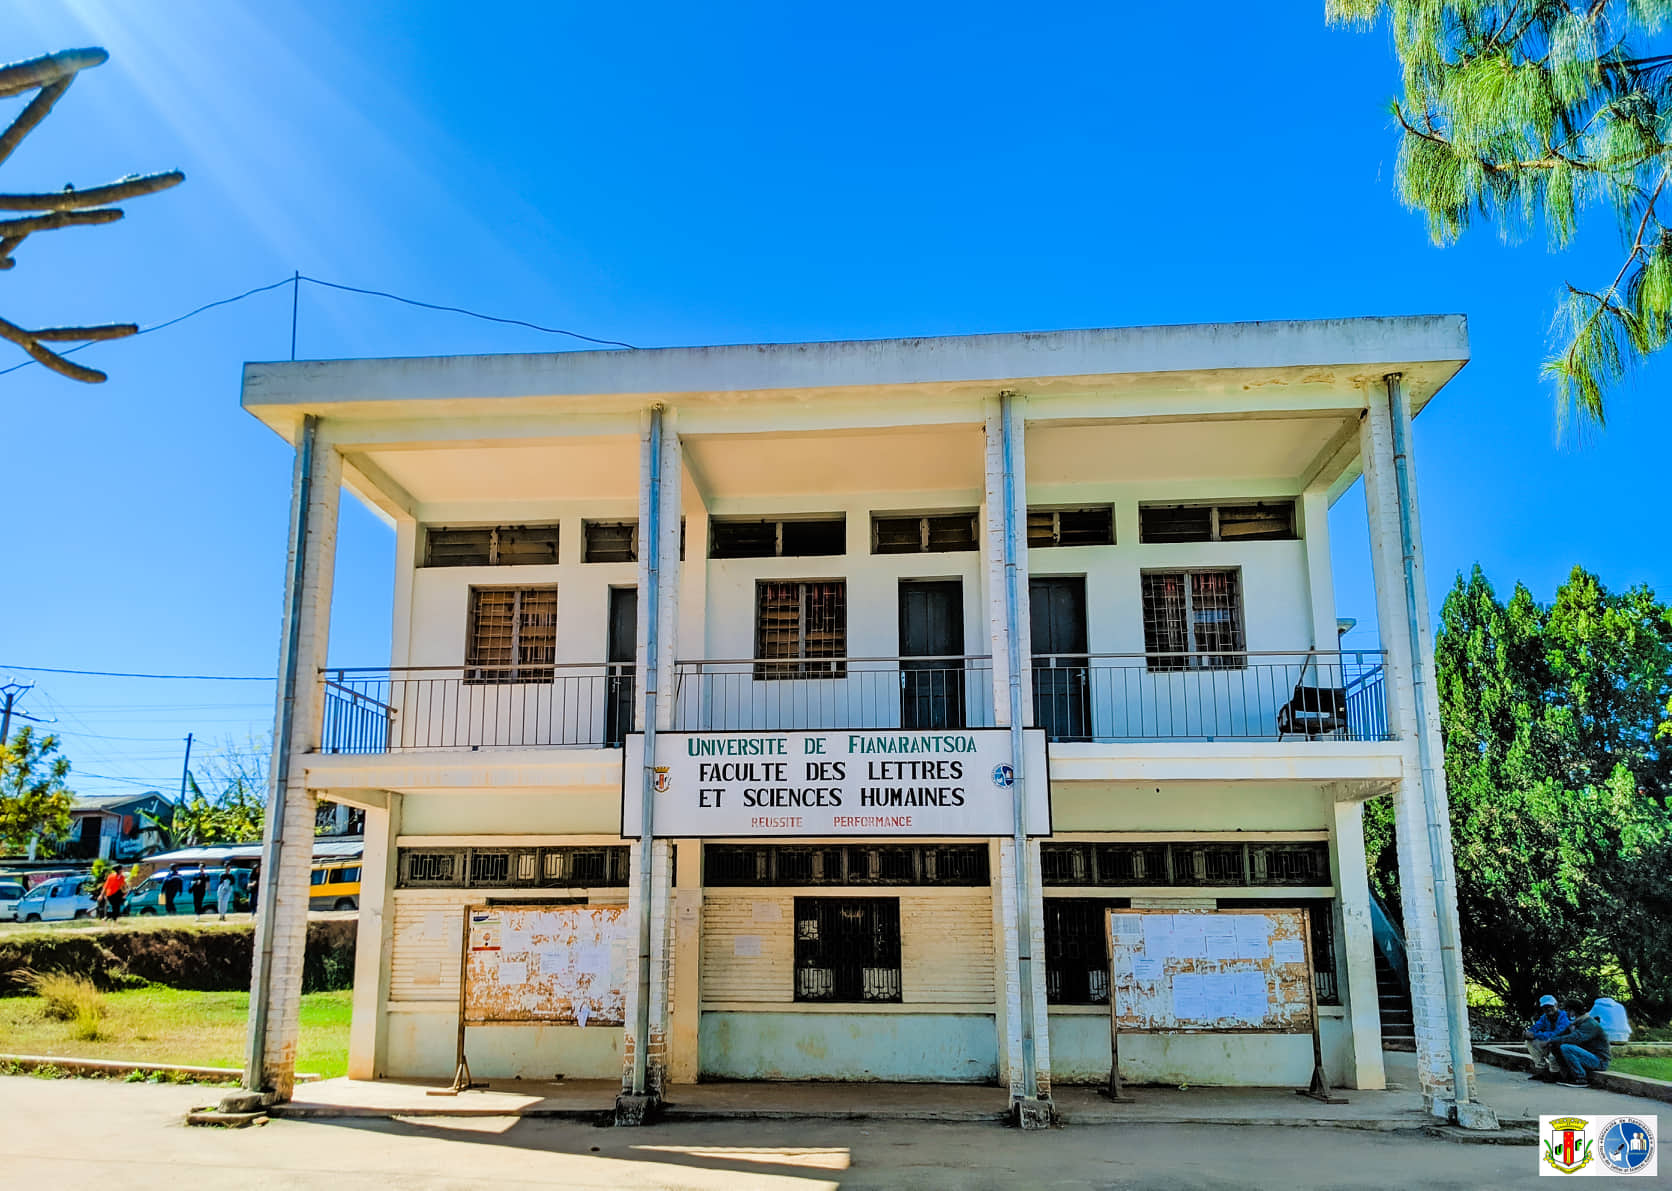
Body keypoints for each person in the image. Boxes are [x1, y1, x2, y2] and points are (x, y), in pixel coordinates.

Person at [1548, 998, 1612, 1088]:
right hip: (1589, 1057)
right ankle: (1567, 1076)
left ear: (1573, 1011)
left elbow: (1575, 1038)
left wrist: (1552, 1040)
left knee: (1566, 1047)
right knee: (1557, 1044)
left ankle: (1580, 1078)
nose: (1566, 1013)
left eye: (1567, 1010)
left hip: (1600, 1061)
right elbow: (1560, 1036)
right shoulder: (1577, 1023)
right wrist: (1550, 1041)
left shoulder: (1590, 1024)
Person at [1523, 994, 1570, 1080]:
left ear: (1556, 1005)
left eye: (1550, 1006)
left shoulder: (1564, 1016)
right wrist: (1528, 1033)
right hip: (1548, 1042)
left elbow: (1558, 1033)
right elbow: (1536, 1027)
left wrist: (1536, 1035)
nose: (1548, 1009)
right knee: (1529, 1042)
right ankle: (1542, 1070)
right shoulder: (1545, 1017)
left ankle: (1555, 1073)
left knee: (1554, 1046)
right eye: (1545, 1007)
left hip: (1561, 1044)